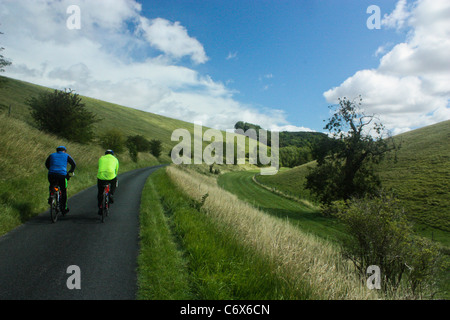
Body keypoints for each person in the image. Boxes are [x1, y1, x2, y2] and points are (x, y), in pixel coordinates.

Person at [45, 146, 76, 213]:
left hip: (51, 174)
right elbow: (73, 164)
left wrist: (50, 169)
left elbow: (46, 163)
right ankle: (64, 208)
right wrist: (70, 172)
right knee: (63, 190)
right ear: (64, 150)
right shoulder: (66, 155)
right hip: (62, 175)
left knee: (52, 185)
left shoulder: (51, 155)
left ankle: (51, 195)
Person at [97, 149, 119, 215]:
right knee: (114, 182)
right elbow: (116, 170)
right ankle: (111, 194)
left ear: (105, 153)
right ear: (112, 154)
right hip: (111, 175)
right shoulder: (115, 159)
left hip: (101, 176)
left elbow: (99, 167)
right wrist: (115, 175)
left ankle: (100, 208)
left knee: (100, 193)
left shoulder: (101, 158)